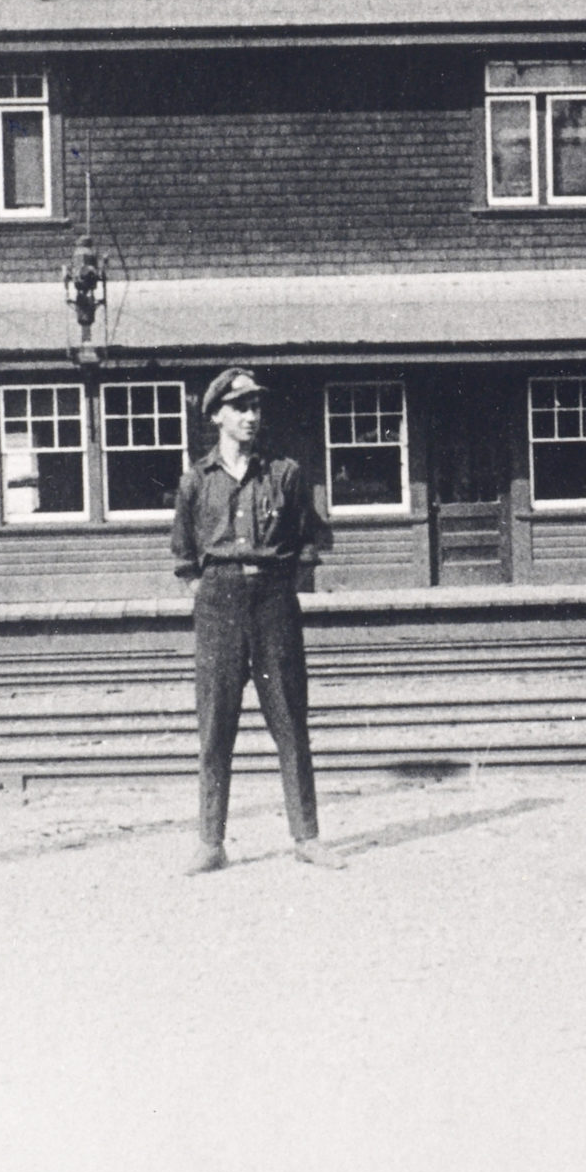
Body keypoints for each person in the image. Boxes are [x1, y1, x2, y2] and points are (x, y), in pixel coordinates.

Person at [170, 367, 344, 874]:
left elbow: (309, 539)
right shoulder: (194, 481)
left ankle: (306, 837)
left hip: (273, 603)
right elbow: (185, 555)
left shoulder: (284, 473)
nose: (251, 417)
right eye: (241, 408)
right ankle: (210, 843)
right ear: (217, 416)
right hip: (219, 605)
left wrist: (277, 587)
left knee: (291, 723)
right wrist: (215, 592)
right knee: (215, 727)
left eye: (257, 408)